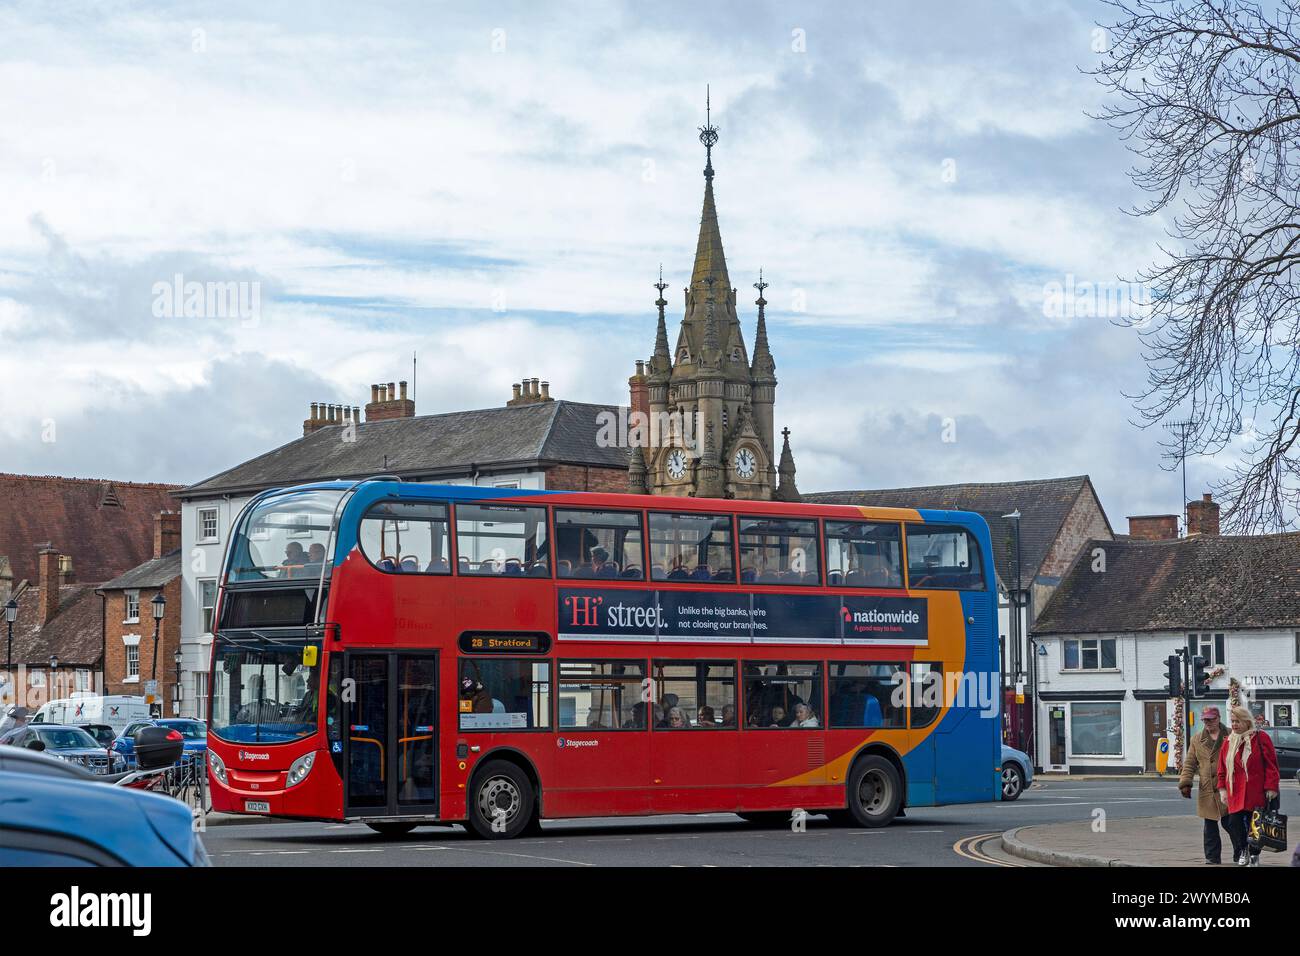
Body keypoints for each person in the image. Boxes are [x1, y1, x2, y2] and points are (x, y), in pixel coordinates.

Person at [1217, 705, 1280, 866]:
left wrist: (1271, 787)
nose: (1234, 725)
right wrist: (1222, 790)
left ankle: (1254, 854)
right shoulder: (1228, 742)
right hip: (1235, 791)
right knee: (1233, 822)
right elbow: (1222, 768)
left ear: (1246, 722)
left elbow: (1271, 765)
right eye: (1232, 721)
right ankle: (1243, 849)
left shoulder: (1261, 738)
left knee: (1256, 825)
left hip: (1256, 790)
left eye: (1238, 721)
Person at [1179, 706, 1231, 864]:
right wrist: (1185, 783)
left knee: (1232, 824)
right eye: (1205, 720)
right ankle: (1212, 858)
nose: (1208, 723)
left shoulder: (1230, 735)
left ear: (1219, 718)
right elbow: (1189, 763)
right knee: (1210, 827)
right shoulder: (1196, 739)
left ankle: (1241, 853)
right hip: (1207, 788)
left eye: (1211, 719)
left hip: (1227, 787)